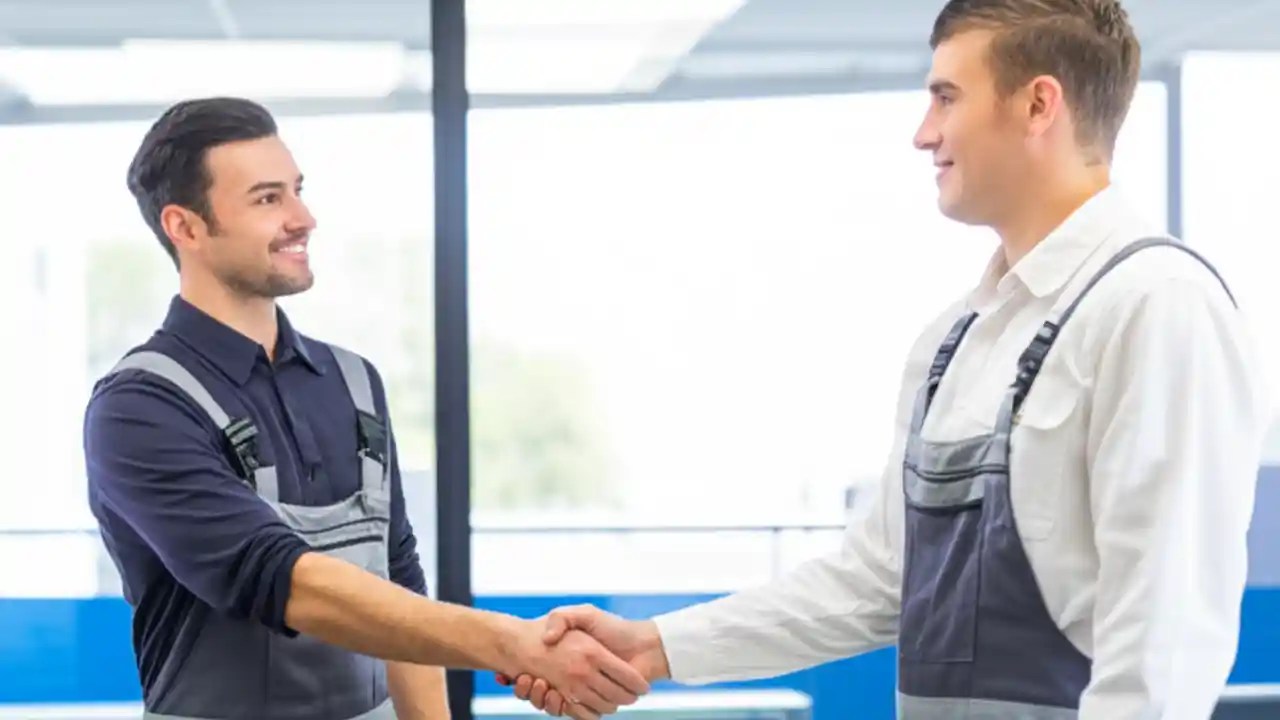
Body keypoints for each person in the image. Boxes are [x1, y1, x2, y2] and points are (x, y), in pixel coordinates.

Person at [499, 1, 1275, 718]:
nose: (923, 133)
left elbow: (1162, 653)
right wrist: (652, 645)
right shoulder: (955, 341)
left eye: (946, 97)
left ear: (1040, 104)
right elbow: (878, 581)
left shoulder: (1157, 306)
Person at [83, 97, 650, 720]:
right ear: (185, 227)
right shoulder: (138, 407)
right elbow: (282, 580)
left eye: (297, 191)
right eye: (268, 199)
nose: (304, 218)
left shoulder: (352, 382)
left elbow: (398, 583)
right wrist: (514, 644)